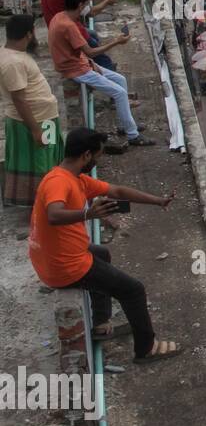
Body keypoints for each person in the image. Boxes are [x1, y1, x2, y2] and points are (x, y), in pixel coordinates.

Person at [29, 127, 179, 363]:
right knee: (133, 290)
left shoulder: (74, 177)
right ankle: (146, 349)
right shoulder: (59, 183)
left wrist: (158, 201)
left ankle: (101, 323)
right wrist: (88, 214)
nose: (99, 159)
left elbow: (117, 191)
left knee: (102, 253)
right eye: (98, 155)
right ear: (86, 155)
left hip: (57, 256)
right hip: (65, 266)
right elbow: (54, 215)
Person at [49, 0, 152, 146]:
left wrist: (92, 64)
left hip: (81, 62)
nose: (88, 6)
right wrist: (116, 42)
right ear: (80, 5)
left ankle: (124, 124)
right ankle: (133, 135)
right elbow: (90, 51)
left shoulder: (59, 16)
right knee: (119, 92)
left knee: (120, 80)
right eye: (86, 3)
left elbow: (79, 52)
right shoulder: (69, 25)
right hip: (75, 69)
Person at [2, 15, 63, 207]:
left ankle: (52, 197)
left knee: (50, 157)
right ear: (29, 34)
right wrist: (36, 130)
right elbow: (19, 98)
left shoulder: (15, 56)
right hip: (38, 122)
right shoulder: (12, 63)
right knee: (42, 162)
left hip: (45, 118)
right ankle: (48, 203)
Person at [40, 0, 120, 70]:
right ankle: (108, 71)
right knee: (93, 46)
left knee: (92, 34)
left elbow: (65, 1)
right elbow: (90, 12)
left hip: (56, 27)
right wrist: (107, 1)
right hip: (69, 30)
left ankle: (95, 64)